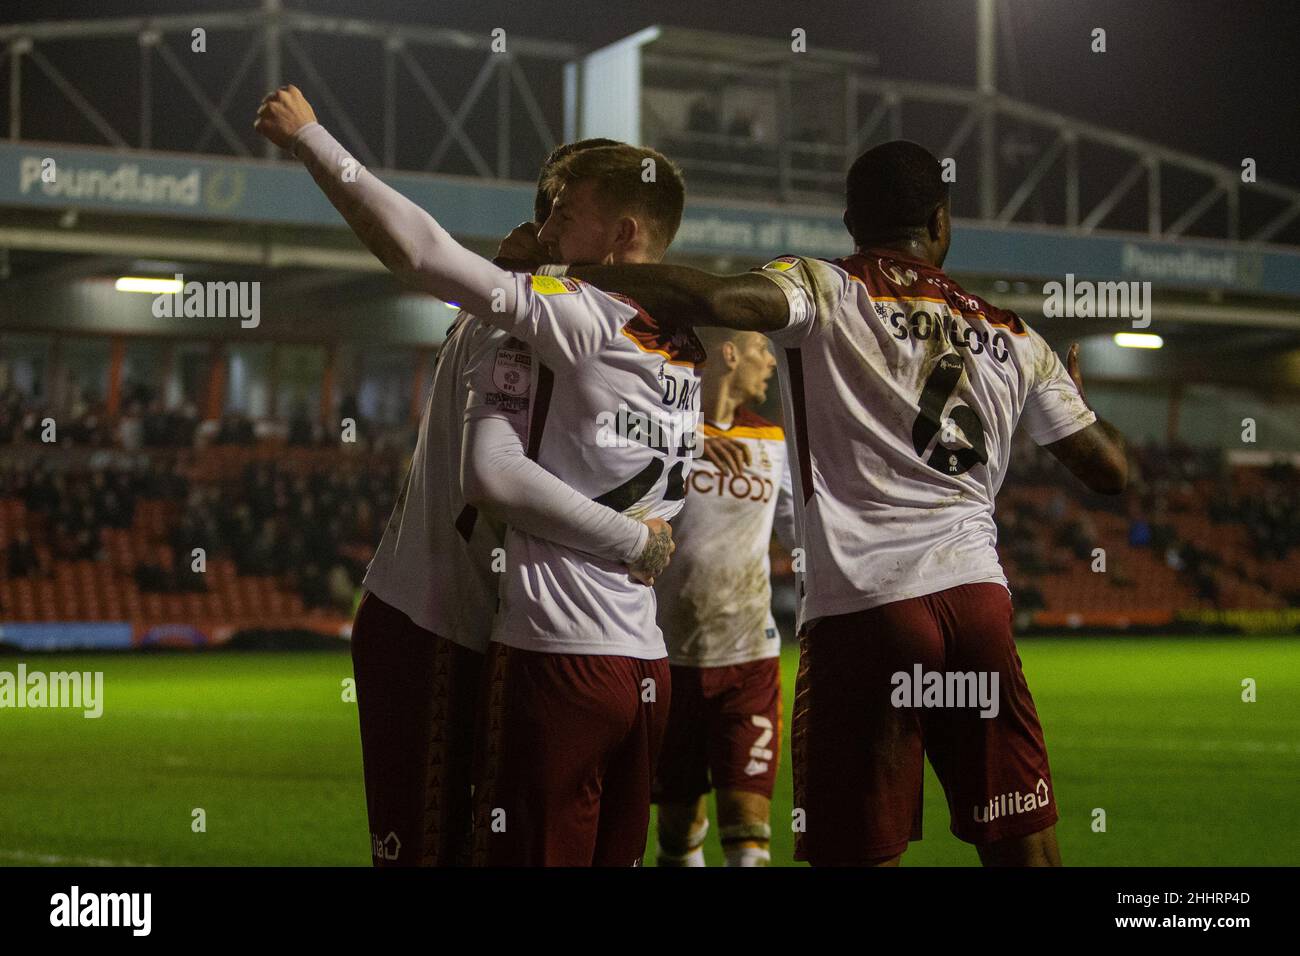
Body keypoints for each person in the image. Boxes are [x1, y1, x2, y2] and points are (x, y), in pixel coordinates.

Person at [545, 139, 1129, 866]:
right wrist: (1077, 402)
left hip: (866, 610)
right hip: (978, 602)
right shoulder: (1008, 331)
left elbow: (717, 299)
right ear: (942, 223)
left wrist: (564, 273)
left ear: (852, 220)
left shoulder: (823, 286)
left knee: (851, 852)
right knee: (1025, 847)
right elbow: (1111, 471)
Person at [256, 87, 673, 867]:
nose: (542, 229)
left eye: (559, 215)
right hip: (438, 623)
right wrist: (312, 137)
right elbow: (493, 470)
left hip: (503, 633)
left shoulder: (590, 331)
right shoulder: (522, 325)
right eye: (545, 213)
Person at [651, 326, 796, 867]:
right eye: (762, 349)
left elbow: (804, 533)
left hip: (749, 662)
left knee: (748, 832)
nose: (772, 363)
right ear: (729, 354)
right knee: (676, 829)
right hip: (670, 660)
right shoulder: (658, 430)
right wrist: (690, 441)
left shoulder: (774, 441)